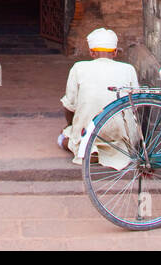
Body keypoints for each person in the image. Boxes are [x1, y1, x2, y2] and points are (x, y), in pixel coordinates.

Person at [57, 27, 139, 165]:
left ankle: (90, 149)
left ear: (91, 52)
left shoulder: (79, 68)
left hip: (89, 129)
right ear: (115, 52)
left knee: (61, 138)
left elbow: (69, 105)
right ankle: (112, 151)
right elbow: (136, 104)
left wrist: (71, 126)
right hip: (120, 132)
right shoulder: (128, 69)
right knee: (123, 140)